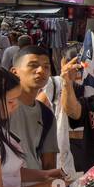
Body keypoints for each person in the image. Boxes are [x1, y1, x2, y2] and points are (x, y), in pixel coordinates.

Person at [8, 45, 62, 187]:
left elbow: (49, 166)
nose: (41, 70)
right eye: (33, 65)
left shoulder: (46, 115)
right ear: (14, 72)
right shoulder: (0, 108)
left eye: (46, 66)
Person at [37, 43, 80, 179]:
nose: (78, 70)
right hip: (61, 152)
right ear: (63, 62)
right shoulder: (55, 83)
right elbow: (36, 110)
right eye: (73, 63)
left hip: (88, 150)